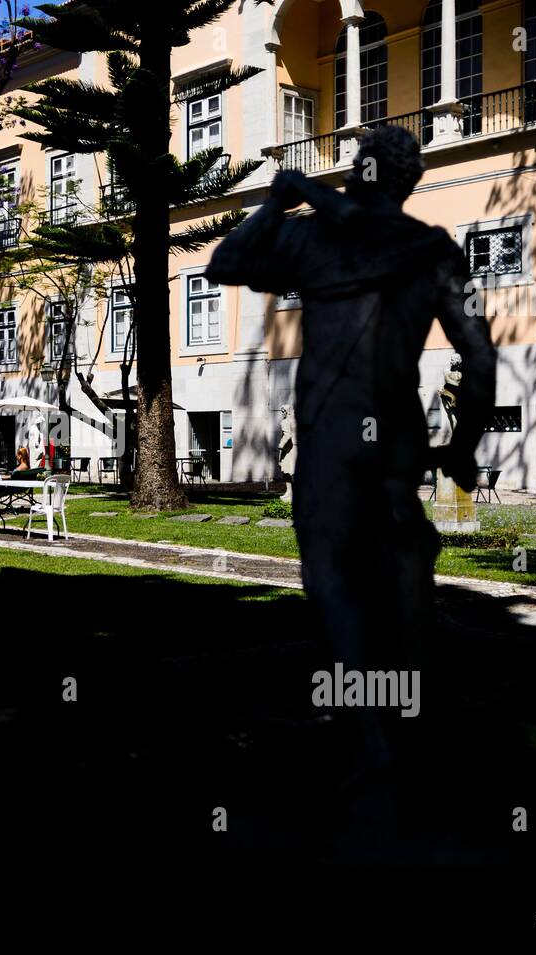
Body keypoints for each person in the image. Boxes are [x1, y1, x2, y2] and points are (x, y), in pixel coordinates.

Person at [207, 126, 497, 779]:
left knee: (333, 574)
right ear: (408, 180)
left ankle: (371, 724)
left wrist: (277, 204)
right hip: (397, 433)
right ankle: (408, 710)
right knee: (401, 559)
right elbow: (479, 358)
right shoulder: (436, 251)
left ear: (361, 174)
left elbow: (225, 261)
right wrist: (464, 447)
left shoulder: (313, 238)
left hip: (332, 432)